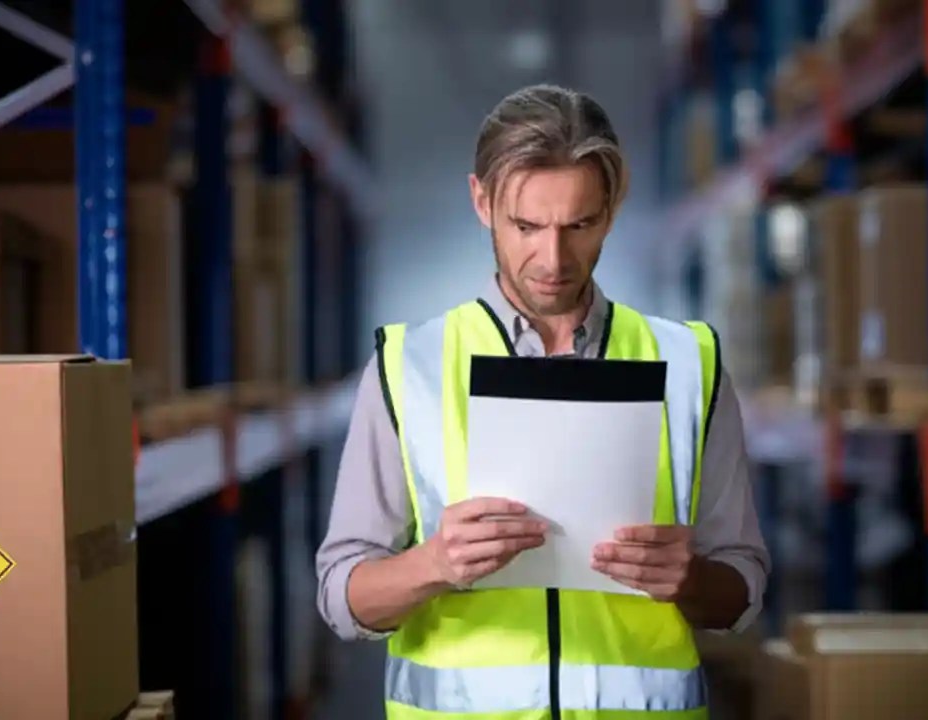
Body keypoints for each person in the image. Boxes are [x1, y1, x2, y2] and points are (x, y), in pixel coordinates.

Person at [316, 83, 770, 719]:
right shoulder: (409, 367)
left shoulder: (688, 365)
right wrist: (434, 564)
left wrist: (690, 581)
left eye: (579, 225)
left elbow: (741, 588)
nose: (553, 259)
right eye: (526, 226)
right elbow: (343, 596)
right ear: (481, 201)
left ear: (612, 206)